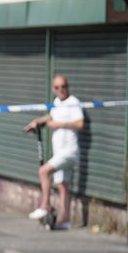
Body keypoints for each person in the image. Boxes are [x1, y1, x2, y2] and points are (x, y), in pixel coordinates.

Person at [24, 75, 83, 230]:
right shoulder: (57, 103)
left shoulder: (73, 103)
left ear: (67, 87)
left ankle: (44, 205)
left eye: (63, 86)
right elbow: (51, 116)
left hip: (69, 151)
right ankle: (65, 220)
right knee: (63, 186)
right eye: (57, 88)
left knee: (43, 171)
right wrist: (37, 122)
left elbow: (79, 123)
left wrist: (58, 124)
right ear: (53, 89)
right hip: (59, 153)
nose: (61, 90)